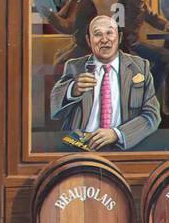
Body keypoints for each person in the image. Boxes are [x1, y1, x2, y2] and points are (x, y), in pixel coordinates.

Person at [50, 15, 160, 150]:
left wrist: (117, 134)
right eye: (97, 34)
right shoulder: (75, 67)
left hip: (124, 145)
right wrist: (73, 90)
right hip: (82, 147)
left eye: (109, 33)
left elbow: (152, 115)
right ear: (89, 41)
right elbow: (54, 108)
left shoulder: (139, 67)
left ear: (119, 38)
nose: (104, 40)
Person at [117, 0, 169, 104]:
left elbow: (151, 17)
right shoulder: (127, 0)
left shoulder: (139, 0)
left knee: (164, 58)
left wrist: (166, 24)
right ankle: (147, 93)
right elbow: (121, 27)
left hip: (133, 43)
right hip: (128, 46)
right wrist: (129, 48)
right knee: (164, 58)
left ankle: (146, 92)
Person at [43, 0, 97, 75]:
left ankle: (65, 89)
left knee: (60, 64)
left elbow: (68, 27)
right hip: (80, 44)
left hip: (86, 47)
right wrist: (50, 14)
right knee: (58, 57)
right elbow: (61, 16)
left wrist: (50, 15)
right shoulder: (74, 0)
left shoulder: (83, 3)